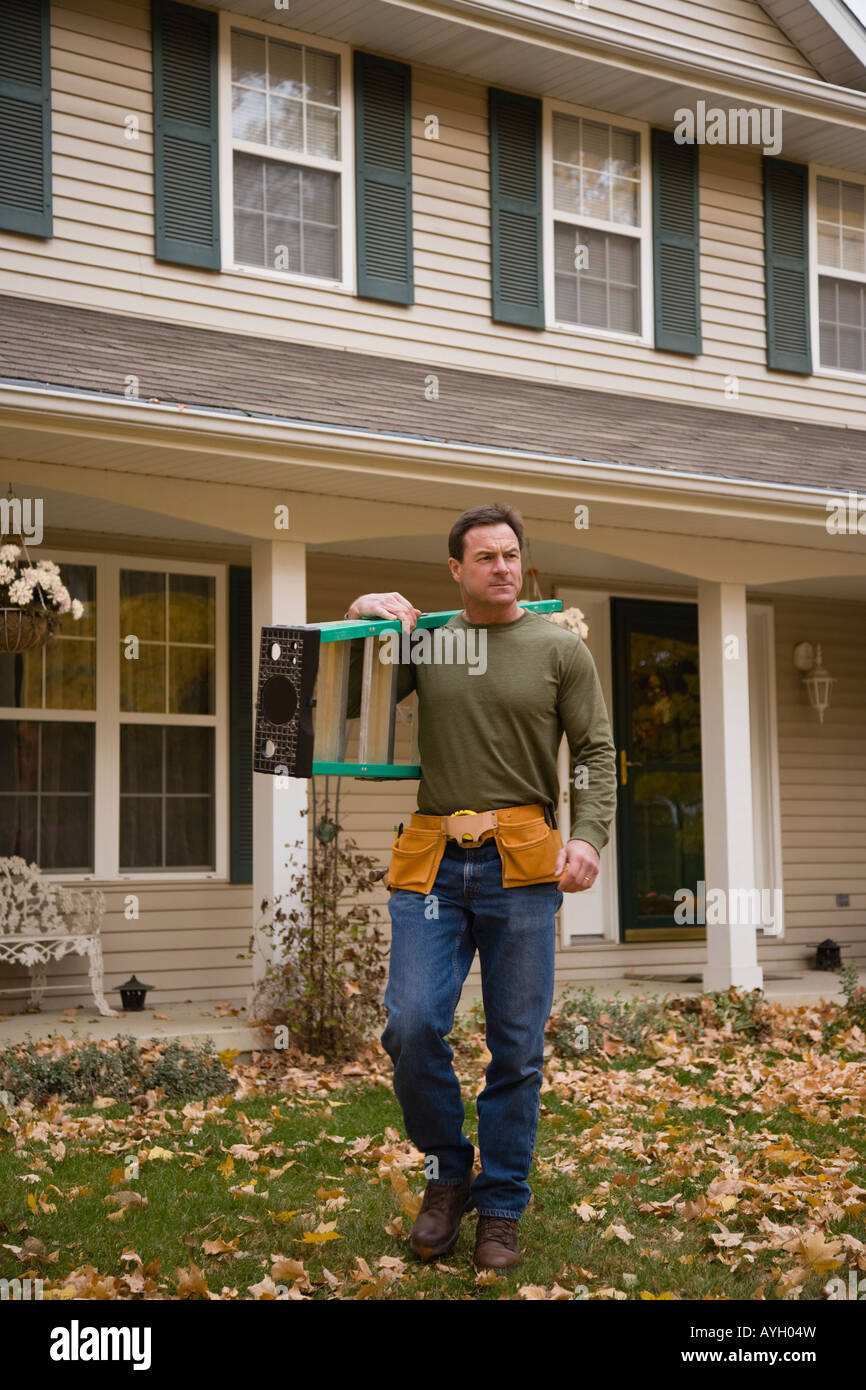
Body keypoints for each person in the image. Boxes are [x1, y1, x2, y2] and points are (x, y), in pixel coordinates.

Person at [343, 502, 617, 1271]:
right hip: (433, 861)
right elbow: (346, 682)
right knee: (411, 1024)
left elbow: (595, 749)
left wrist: (589, 835)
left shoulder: (559, 649)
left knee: (516, 1050)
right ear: (456, 571)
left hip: (524, 867)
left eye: (511, 554)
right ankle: (446, 1168)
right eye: (486, 557)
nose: (503, 566)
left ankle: (500, 1207)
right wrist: (364, 609)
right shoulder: (426, 640)